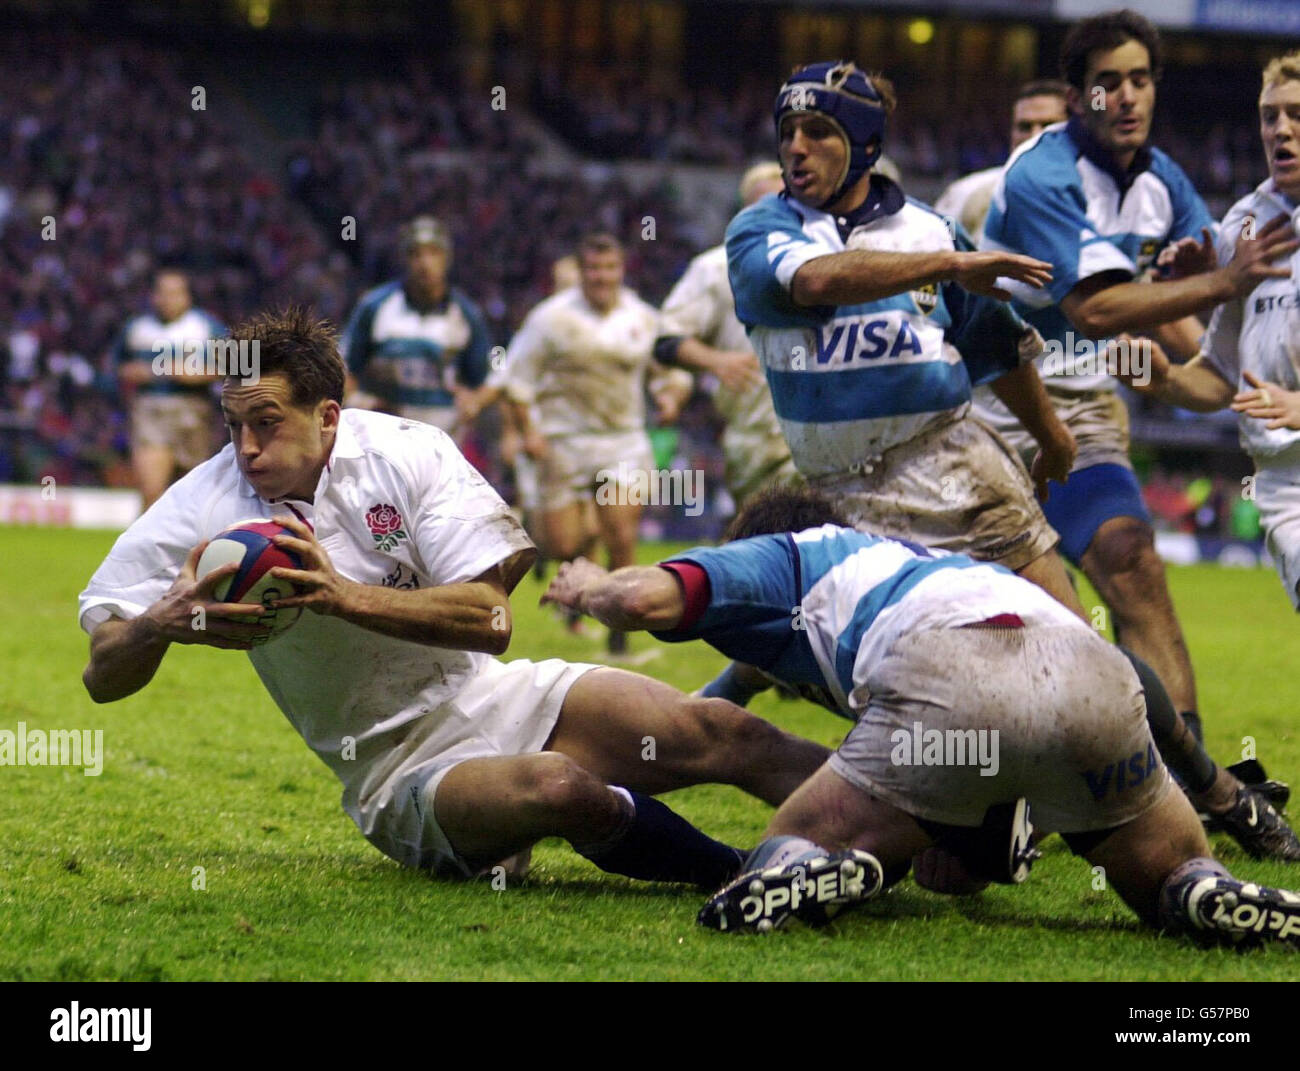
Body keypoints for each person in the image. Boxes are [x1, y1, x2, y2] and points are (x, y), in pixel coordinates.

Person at [78, 309, 829, 889]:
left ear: (328, 415)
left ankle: (918, 829)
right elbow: (101, 672)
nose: (245, 448)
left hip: (501, 694)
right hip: (398, 770)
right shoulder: (205, 505)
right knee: (563, 787)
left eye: (266, 423)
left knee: (725, 728)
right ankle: (743, 871)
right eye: (233, 424)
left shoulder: (408, 451)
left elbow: (492, 620)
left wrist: (343, 596)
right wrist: (158, 623)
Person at [542, 486, 1300, 943]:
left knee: (794, 836)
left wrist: (589, 585)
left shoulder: (785, 558)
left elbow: (645, 599)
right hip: (1092, 677)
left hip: (954, 679)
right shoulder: (913, 567)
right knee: (1162, 866)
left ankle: (814, 862)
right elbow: (721, 697)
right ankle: (1200, 886)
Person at [977, 10, 1297, 759]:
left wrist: (1209, 370)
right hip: (987, 411)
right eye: (1107, 84)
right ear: (1076, 95)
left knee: (1133, 558)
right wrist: (1223, 279)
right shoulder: (1039, 174)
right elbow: (1096, 308)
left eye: (1141, 81)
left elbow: (1187, 319)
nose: (1126, 98)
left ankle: (1190, 777)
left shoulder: (1166, 183)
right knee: (1017, 608)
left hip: (1083, 406)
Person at [1122, 50, 1300, 617]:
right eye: (1270, 115)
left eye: (1296, 113)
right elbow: (1222, 378)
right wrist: (1163, 380)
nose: (1281, 129)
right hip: (1286, 483)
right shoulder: (1245, 224)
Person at [465, 233, 692, 656]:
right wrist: (528, 429)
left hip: (622, 440)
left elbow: (671, 368)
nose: (601, 277)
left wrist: (670, 396)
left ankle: (620, 634)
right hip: (564, 441)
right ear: (583, 272)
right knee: (562, 545)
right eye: (593, 270)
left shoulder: (643, 318)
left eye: (610, 269)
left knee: (621, 534)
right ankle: (545, 535)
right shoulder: (550, 318)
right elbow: (518, 379)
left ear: (622, 271)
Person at [654, 162, 802, 511]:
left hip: (825, 430)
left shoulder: (821, 258)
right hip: (756, 436)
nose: (776, 211)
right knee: (767, 540)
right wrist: (716, 361)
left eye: (785, 201)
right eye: (764, 203)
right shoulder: (716, 268)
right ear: (745, 210)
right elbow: (667, 339)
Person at [341, 216, 492, 434]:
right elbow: (344, 366)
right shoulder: (374, 306)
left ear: (446, 258)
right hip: (383, 434)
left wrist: (475, 401)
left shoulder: (467, 313)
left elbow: (491, 377)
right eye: (416, 254)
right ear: (404, 259)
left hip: (443, 435)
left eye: (433, 252)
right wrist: (356, 400)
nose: (425, 263)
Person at [112, 268, 226, 510]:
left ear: (187, 296)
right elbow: (114, 367)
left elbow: (240, 366)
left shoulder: (206, 327)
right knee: (151, 490)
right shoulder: (137, 328)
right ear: (153, 296)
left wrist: (199, 374)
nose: (168, 299)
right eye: (162, 293)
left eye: (174, 293)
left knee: (193, 492)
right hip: (151, 410)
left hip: (194, 413)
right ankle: (145, 544)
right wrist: (134, 372)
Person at [933, 80, 1069, 241]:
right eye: (1024, 127)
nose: (1034, 136)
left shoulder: (1099, 195)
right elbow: (941, 248)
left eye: (1048, 125)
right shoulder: (965, 192)